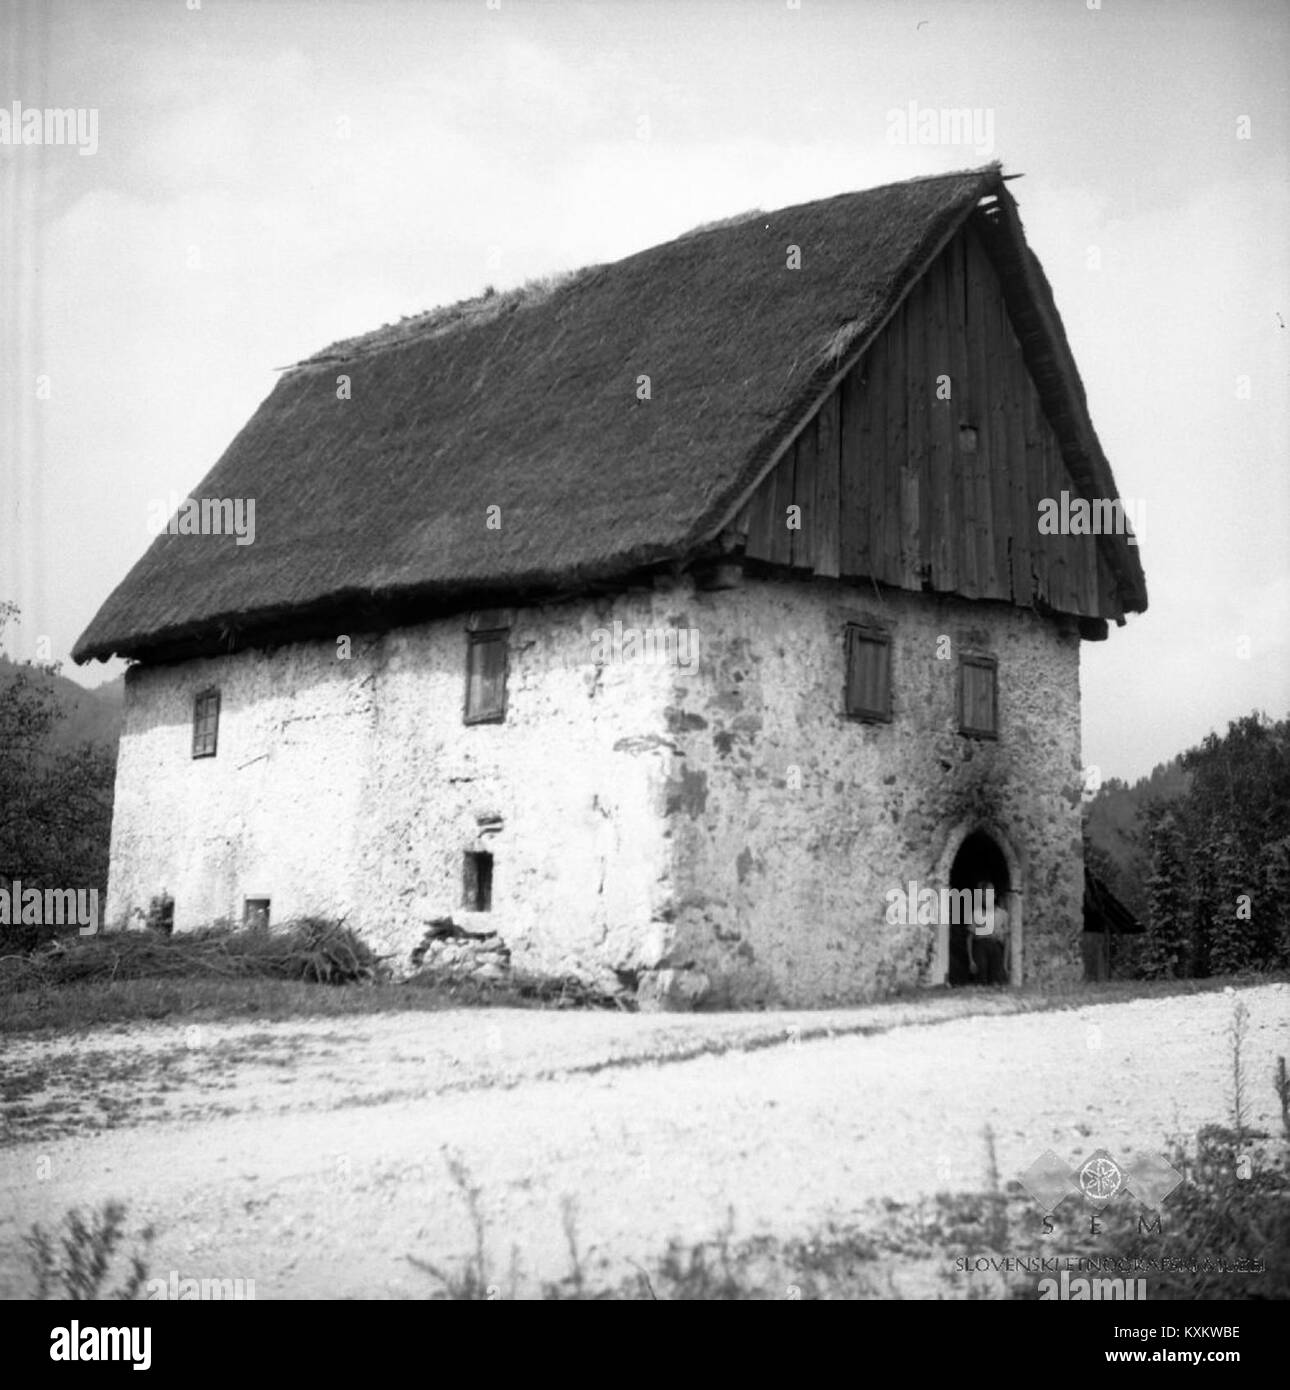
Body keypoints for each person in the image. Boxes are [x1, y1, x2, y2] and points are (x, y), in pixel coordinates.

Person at [968, 879, 1010, 985]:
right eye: (983, 896)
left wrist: (1005, 963)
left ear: (994, 895)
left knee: (996, 981)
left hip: (997, 948)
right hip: (981, 948)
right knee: (981, 977)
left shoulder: (1003, 914)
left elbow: (1007, 939)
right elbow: (969, 938)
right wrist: (971, 960)